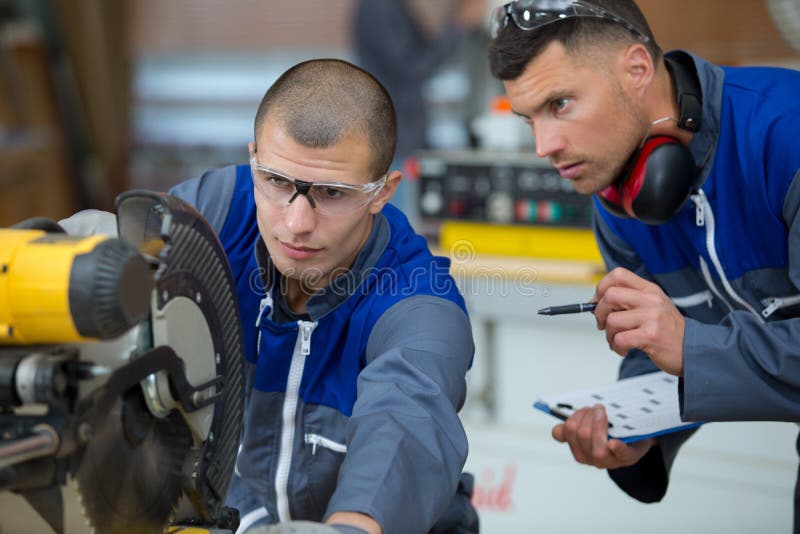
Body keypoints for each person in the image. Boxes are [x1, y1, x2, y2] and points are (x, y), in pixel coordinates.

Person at [64, 60, 478, 534]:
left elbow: (406, 424)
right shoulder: (217, 213)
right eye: (277, 181)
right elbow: (97, 255)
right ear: (254, 157)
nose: (296, 223)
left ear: (382, 192)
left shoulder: (420, 303)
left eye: (332, 192)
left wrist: (354, 527)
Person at [487, 0, 800, 529]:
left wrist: (690, 347)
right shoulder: (617, 198)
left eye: (560, 104)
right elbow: (661, 350)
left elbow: (687, 344)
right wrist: (637, 433)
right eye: (528, 119)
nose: (544, 146)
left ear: (636, 69)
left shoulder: (786, 132)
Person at [352, 0, 486, 222]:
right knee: (401, 227)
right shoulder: (379, 6)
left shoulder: (389, 6)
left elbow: (419, 52)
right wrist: (459, 27)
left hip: (401, 133)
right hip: (397, 136)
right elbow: (411, 67)